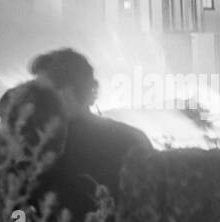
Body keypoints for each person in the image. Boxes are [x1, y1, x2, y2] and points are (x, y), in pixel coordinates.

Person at [29, 48, 153, 206]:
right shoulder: (133, 139)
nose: (34, 102)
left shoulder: (39, 149)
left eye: (41, 94)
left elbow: (17, 209)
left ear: (65, 95)